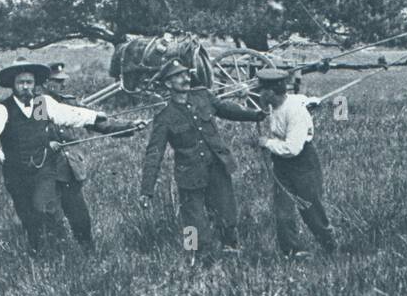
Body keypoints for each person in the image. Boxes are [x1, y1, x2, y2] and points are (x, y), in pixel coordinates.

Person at [0, 57, 117, 252]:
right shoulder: (3, 109)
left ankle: (57, 249)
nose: (26, 87)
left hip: (43, 168)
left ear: (35, 84)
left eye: (29, 82)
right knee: (28, 215)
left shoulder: (41, 105)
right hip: (16, 172)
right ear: (13, 85)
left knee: (45, 208)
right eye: (21, 83)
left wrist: (93, 116)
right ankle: (37, 252)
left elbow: (67, 113)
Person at [138, 60, 266, 251]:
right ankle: (193, 254)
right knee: (192, 222)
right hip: (189, 176)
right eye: (179, 76)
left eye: (186, 74)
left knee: (227, 215)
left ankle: (230, 249)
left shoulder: (202, 96)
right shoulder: (164, 117)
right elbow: (154, 153)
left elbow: (226, 109)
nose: (186, 78)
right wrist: (146, 190)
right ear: (168, 84)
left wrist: (255, 114)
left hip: (218, 167)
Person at [35, 62, 134, 249]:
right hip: (47, 171)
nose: (63, 85)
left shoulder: (69, 102)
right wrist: (47, 143)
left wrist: (129, 126)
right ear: (46, 83)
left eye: (63, 81)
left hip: (70, 171)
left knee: (80, 217)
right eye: (57, 81)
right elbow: (35, 132)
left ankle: (88, 253)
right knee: (51, 219)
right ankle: (55, 261)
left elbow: (97, 122)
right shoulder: (37, 102)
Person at [255, 69, 335, 257]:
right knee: (282, 211)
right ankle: (292, 251)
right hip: (281, 165)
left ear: (272, 93)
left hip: (302, 163)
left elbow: (293, 149)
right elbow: (301, 98)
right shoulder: (279, 103)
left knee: (310, 208)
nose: (259, 95)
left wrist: (267, 143)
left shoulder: (295, 112)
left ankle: (329, 245)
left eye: (262, 92)